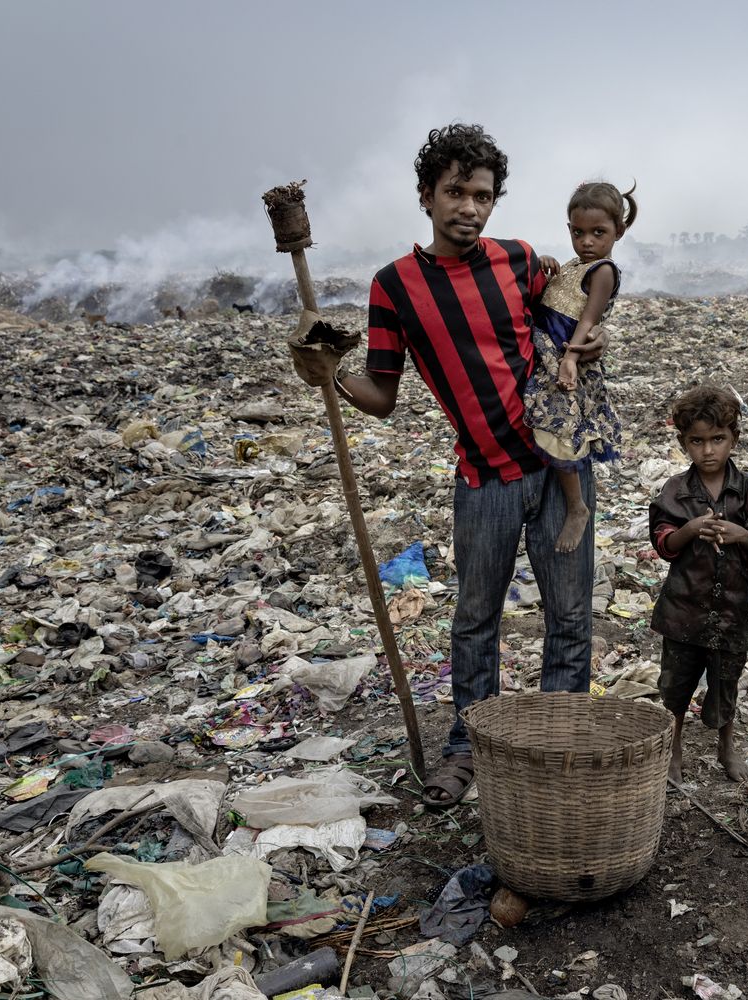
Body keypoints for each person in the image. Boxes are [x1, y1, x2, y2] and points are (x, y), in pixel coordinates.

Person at [289, 124, 607, 808]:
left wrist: (588, 341)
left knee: (570, 614)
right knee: (474, 620)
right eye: (456, 192)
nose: (469, 207)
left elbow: (567, 329)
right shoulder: (393, 289)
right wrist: (330, 374)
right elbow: (382, 395)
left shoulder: (523, 261)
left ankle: (559, 741)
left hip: (558, 467)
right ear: (427, 196)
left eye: (483, 195)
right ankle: (467, 749)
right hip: (483, 477)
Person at [649, 386, 748, 783]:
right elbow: (663, 542)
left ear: (734, 438)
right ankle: (674, 750)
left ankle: (726, 747)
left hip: (732, 609)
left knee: (726, 683)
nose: (708, 451)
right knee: (676, 687)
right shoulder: (676, 491)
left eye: (717, 439)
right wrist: (688, 530)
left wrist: (741, 535)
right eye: (697, 441)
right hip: (684, 609)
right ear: (683, 443)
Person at [523, 181, 635, 553]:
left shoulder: (603, 270)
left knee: (562, 431)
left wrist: (570, 358)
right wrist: (546, 268)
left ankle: (577, 507)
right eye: (578, 232)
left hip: (565, 356)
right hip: (547, 351)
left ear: (618, 231)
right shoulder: (575, 264)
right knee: (545, 422)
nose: (587, 241)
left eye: (598, 233)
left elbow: (588, 318)